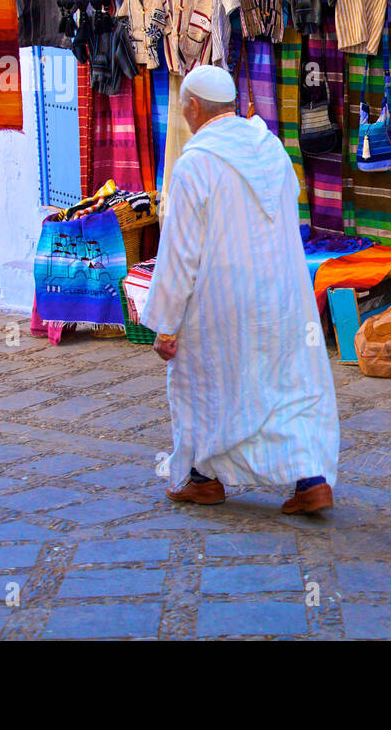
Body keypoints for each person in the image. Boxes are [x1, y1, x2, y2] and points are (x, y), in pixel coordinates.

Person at [141, 64, 338, 514]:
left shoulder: (195, 162)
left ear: (192, 106)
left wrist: (166, 324)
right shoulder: (270, 148)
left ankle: (202, 477)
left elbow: (180, 252)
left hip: (223, 299)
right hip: (285, 295)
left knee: (208, 381)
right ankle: (310, 480)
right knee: (289, 383)